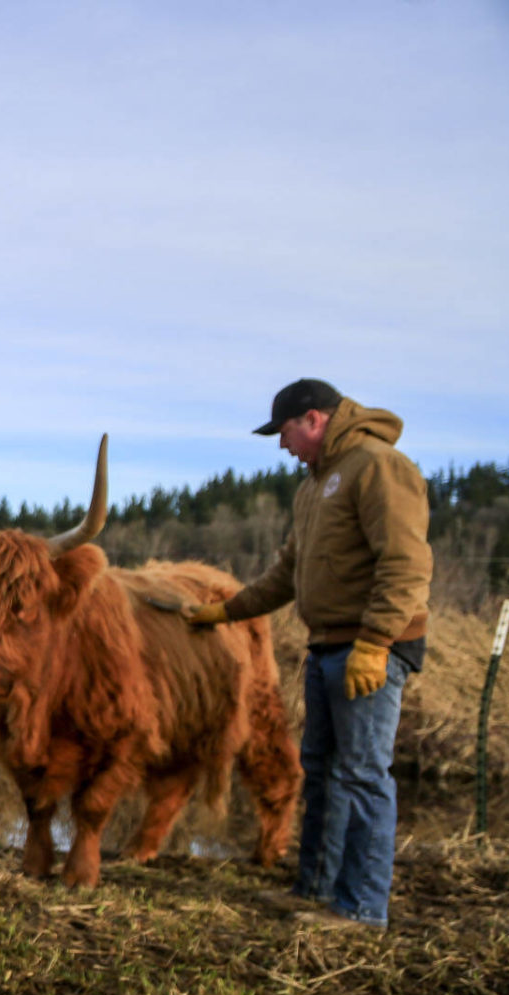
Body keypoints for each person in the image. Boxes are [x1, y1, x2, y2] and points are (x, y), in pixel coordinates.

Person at [184, 378, 431, 931]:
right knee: (320, 770)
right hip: (327, 647)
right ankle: (315, 891)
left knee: (363, 773)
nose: (281, 445)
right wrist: (225, 611)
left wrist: (376, 642)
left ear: (314, 419)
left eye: (285, 431)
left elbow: (406, 564)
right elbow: (286, 575)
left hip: (370, 648)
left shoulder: (378, 466)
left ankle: (362, 908)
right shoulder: (314, 487)